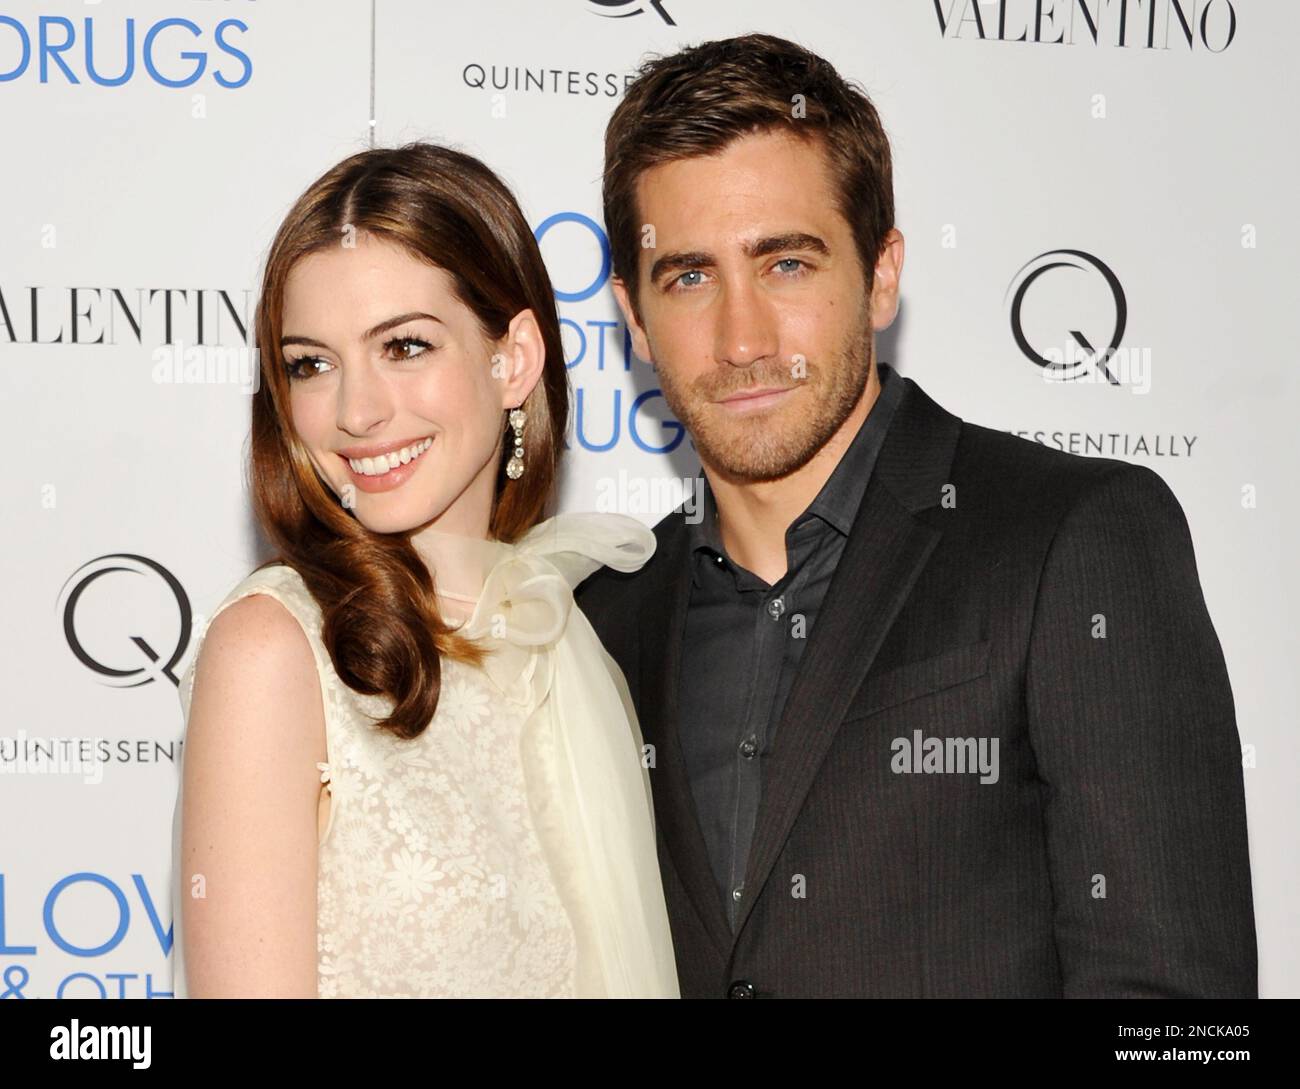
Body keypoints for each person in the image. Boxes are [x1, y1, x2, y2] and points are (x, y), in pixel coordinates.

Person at [575, 33, 1257, 998]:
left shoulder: (1075, 537)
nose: (741, 337)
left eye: (786, 265)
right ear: (633, 318)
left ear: (883, 274)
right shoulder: (601, 621)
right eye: (690, 276)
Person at [171, 142, 679, 998]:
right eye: (311, 364)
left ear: (512, 358)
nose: (357, 411)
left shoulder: (561, 640)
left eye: (403, 346)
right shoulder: (275, 651)